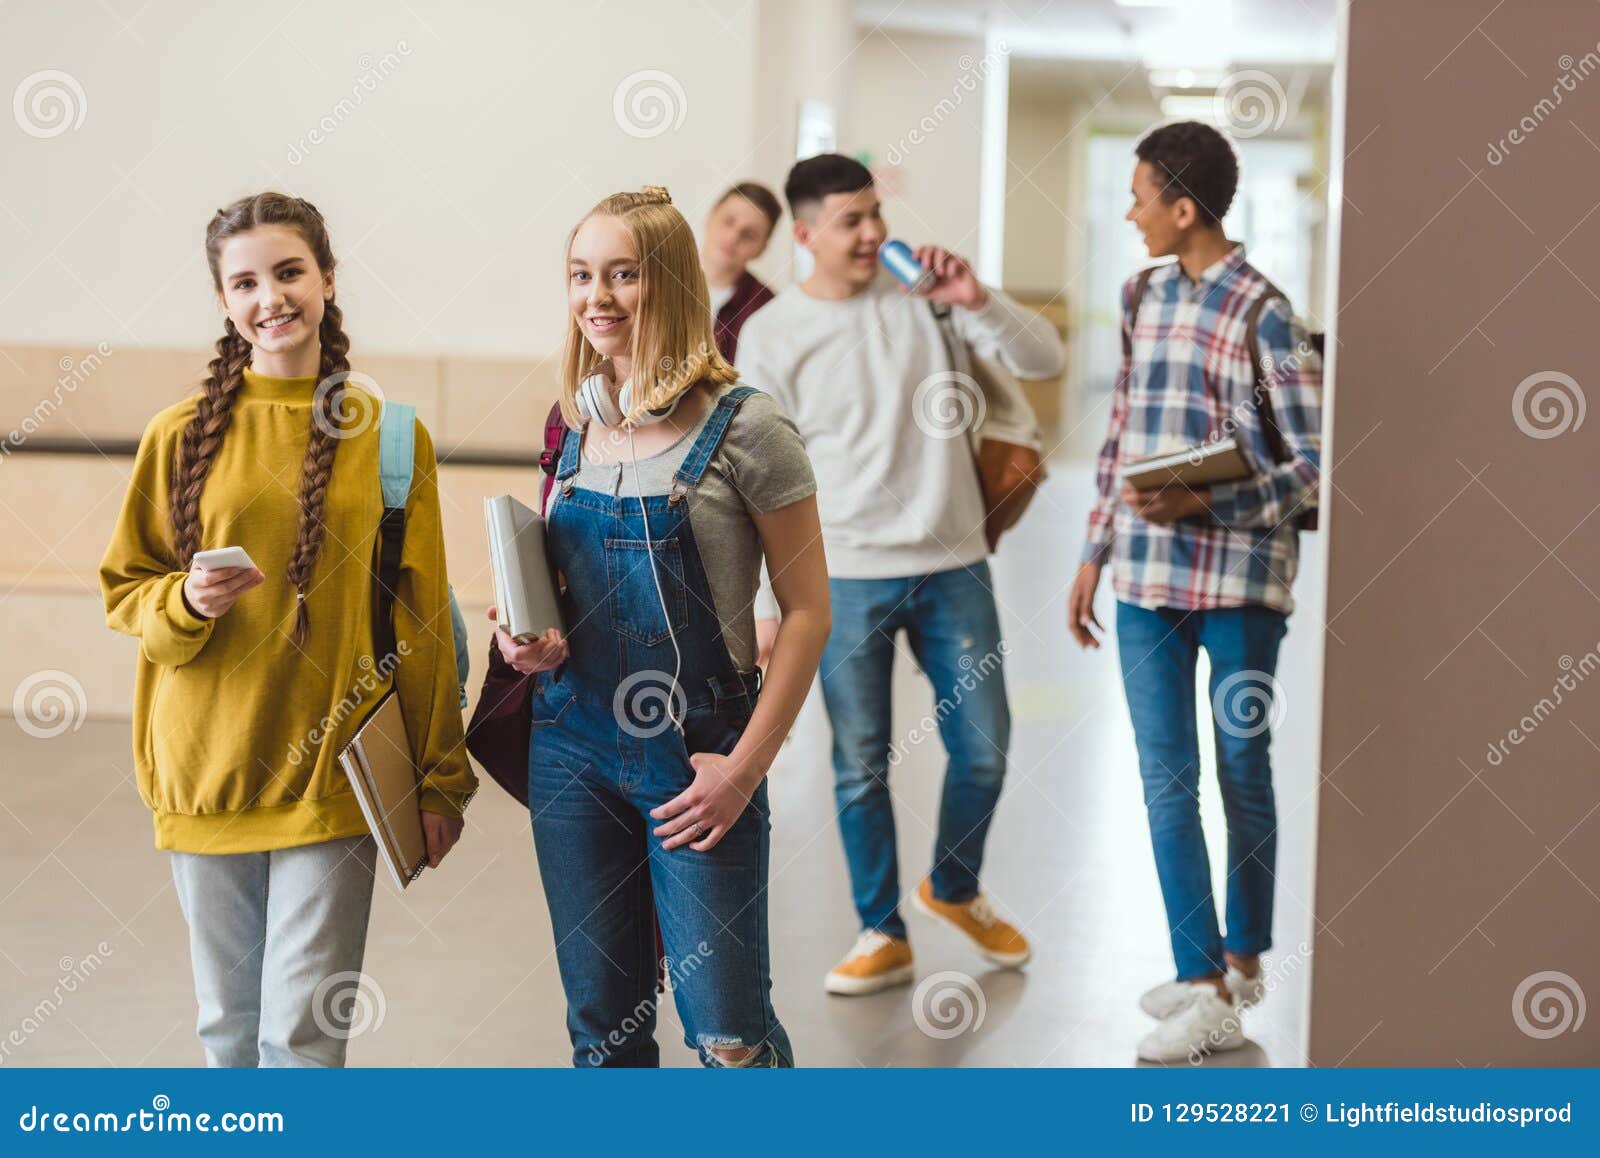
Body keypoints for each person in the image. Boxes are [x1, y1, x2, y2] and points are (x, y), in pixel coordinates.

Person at [99, 192, 476, 1067]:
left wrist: (439, 781)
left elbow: (420, 622)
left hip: (334, 772)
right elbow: (127, 595)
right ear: (224, 301)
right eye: (245, 281)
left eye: (289, 271)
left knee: (303, 1036)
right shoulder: (177, 436)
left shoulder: (390, 437)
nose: (271, 296)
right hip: (205, 771)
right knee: (227, 1029)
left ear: (328, 278)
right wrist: (186, 603)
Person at [494, 186, 830, 1067]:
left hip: (697, 759)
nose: (596, 297)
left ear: (673, 283)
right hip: (570, 745)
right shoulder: (571, 423)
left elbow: (807, 613)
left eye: (622, 275)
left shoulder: (750, 428)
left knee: (729, 1038)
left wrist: (744, 771)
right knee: (603, 1031)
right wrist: (527, 636)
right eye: (580, 275)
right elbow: (560, 596)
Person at [738, 154, 1064, 996]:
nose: (873, 232)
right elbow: (758, 481)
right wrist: (766, 602)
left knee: (985, 748)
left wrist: (976, 299)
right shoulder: (772, 335)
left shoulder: (928, 300)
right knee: (860, 763)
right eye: (850, 220)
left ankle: (952, 885)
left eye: (875, 212)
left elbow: (1043, 359)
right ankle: (880, 930)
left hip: (954, 562)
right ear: (806, 235)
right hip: (841, 575)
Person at [1067, 121, 1323, 1063]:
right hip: (1144, 578)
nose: (1129, 213)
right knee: (1165, 780)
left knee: (1241, 774)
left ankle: (1243, 957)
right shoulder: (1138, 294)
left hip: (1243, 584)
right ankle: (1206, 978)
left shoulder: (1269, 313)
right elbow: (1121, 429)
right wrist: (1096, 549)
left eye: (1139, 198)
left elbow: (1312, 467)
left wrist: (1205, 503)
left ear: (1185, 209)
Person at [701, 181, 782, 363]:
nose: (733, 237)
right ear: (710, 217)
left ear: (762, 249)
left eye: (749, 234)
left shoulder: (767, 308)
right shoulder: (656, 281)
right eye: (728, 221)